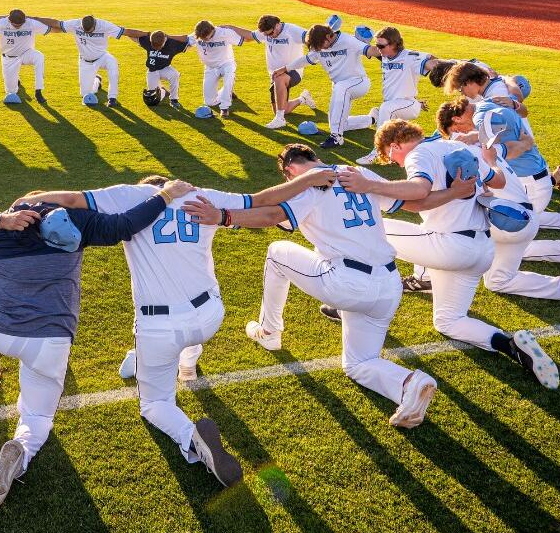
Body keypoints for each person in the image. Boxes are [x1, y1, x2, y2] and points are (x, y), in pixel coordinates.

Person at [0, 176, 207, 512]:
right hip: (50, 340)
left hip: (1, 332)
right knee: (36, 416)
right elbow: (125, 225)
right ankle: (22, 446)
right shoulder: (77, 222)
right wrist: (166, 194)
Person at [27, 168, 335, 475]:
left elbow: (69, 199)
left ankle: (190, 437)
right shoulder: (201, 194)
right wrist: (309, 179)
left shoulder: (127, 195)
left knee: (154, 404)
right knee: (185, 330)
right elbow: (262, 200)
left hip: (159, 326)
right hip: (209, 315)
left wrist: (31, 200)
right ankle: (186, 363)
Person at [183, 144, 472, 428]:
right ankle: (410, 383)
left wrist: (222, 217)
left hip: (347, 283)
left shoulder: (307, 186)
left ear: (289, 171)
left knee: (276, 252)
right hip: (389, 284)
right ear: (316, 157)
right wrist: (454, 193)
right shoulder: (354, 171)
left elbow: (272, 215)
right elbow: (416, 202)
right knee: (358, 363)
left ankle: (269, 331)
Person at [341, 118, 560, 389]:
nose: (396, 163)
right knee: (448, 320)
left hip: (449, 245)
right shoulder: (462, 148)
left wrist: (370, 186)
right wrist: (487, 163)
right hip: (481, 249)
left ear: (395, 144)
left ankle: (346, 297)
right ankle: (511, 345)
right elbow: (500, 180)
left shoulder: (418, 153)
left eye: (391, 156)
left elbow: (420, 188)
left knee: (371, 228)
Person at [434, 100, 560, 314]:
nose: (475, 111)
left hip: (508, 221)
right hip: (521, 214)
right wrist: (524, 139)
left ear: (454, 127)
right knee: (496, 279)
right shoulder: (488, 146)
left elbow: (481, 185)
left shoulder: (460, 150)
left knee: (454, 238)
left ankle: (425, 277)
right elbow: (522, 145)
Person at [444, 62, 560, 251]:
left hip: (526, 174)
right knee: (511, 214)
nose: (462, 93)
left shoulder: (486, 107)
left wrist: (479, 140)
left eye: (461, 88)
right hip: (530, 170)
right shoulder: (492, 94)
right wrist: (514, 103)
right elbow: (520, 107)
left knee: (502, 243)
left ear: (469, 82)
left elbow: (503, 145)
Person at [347, 27, 448, 165]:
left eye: (382, 45)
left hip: (408, 104)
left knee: (385, 109)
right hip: (398, 105)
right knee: (389, 120)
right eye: (377, 45)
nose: (379, 49)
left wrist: (455, 66)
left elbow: (431, 60)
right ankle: (398, 153)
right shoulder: (385, 56)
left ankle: (378, 152)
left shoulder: (410, 57)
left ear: (394, 44)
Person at [277, 23, 371, 147]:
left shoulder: (348, 40)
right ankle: (371, 118)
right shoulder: (319, 47)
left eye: (321, 45)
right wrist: (285, 68)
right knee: (338, 123)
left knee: (340, 89)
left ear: (329, 36)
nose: (320, 49)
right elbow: (305, 59)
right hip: (339, 87)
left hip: (358, 82)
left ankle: (336, 138)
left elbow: (369, 50)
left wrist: (386, 49)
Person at [223, 16, 315, 130]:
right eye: (266, 35)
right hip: (275, 74)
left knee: (279, 79)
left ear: (277, 25)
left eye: (270, 33)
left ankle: (280, 119)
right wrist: (231, 27)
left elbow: (309, 38)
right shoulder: (266, 32)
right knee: (282, 109)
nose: (268, 37)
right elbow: (249, 36)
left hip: (293, 71)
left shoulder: (293, 30)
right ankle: (303, 98)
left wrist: (312, 49)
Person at [35, 15, 131, 108]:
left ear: (94, 25)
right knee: (86, 94)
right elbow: (56, 23)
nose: (87, 33)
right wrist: (34, 18)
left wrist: (145, 34)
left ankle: (112, 98)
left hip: (103, 57)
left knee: (113, 69)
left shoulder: (104, 25)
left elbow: (125, 31)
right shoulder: (75, 24)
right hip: (85, 61)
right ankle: (97, 81)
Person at [0, 9, 51, 105]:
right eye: (16, 25)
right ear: (9, 21)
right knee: (11, 93)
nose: (18, 26)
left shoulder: (30, 23)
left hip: (26, 54)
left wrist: (64, 27)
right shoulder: (2, 23)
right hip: (9, 58)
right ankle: (16, 81)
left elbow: (53, 28)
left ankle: (38, 91)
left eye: (21, 24)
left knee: (39, 56)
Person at [189, 20, 246, 118]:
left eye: (208, 37)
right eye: (203, 38)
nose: (206, 40)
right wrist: (166, 37)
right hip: (210, 67)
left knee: (229, 77)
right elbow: (184, 39)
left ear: (213, 30)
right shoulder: (197, 35)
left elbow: (246, 39)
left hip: (226, 63)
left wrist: (233, 27)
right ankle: (227, 91)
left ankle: (224, 108)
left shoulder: (225, 32)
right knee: (209, 102)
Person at [124, 28, 190, 109]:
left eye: (159, 46)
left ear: (164, 41)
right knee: (153, 98)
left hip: (165, 69)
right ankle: (163, 92)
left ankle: (174, 99)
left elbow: (190, 42)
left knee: (174, 74)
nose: (156, 48)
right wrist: (142, 33)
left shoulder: (172, 43)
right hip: (152, 71)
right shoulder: (148, 40)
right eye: (153, 45)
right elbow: (132, 36)